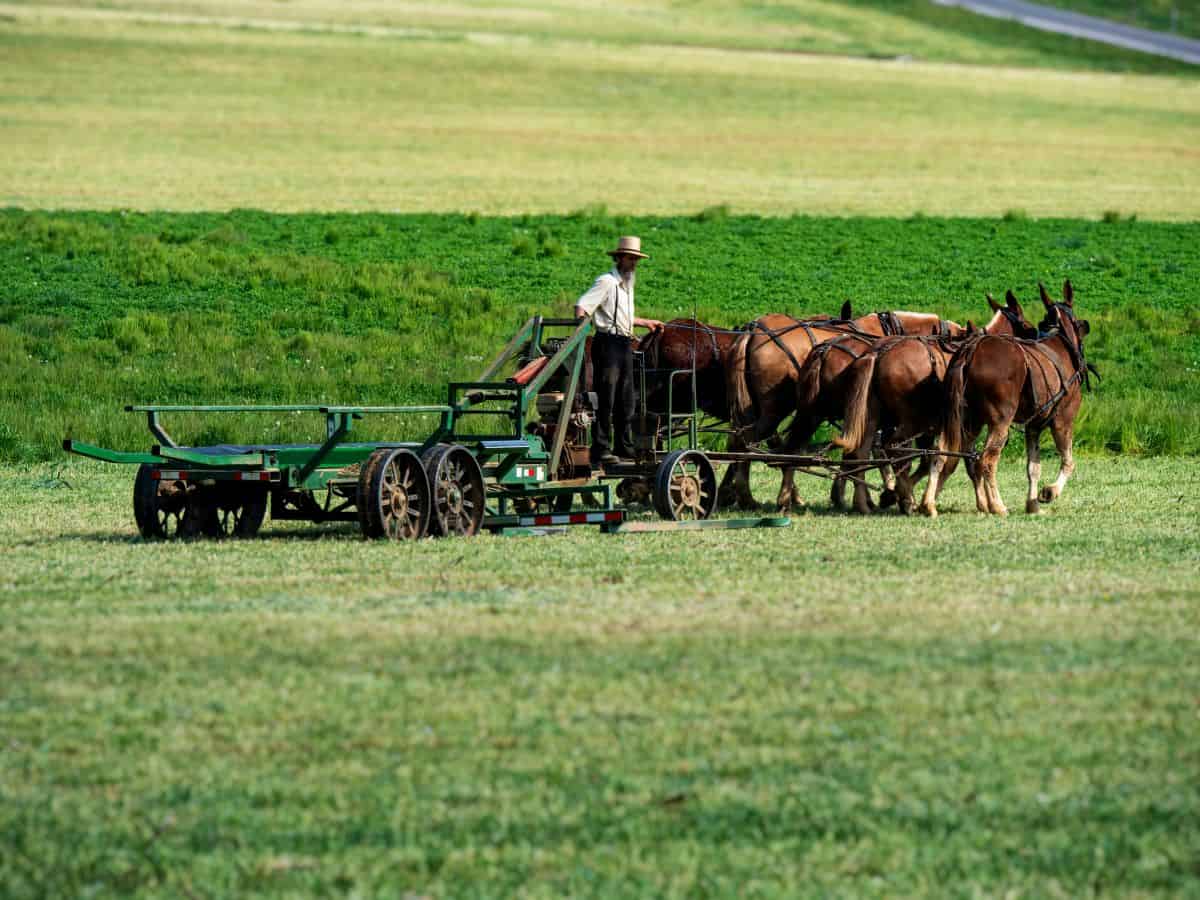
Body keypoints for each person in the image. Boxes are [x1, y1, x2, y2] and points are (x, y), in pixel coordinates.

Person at [574, 236, 664, 468]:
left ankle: (623, 445)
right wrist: (580, 330)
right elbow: (582, 305)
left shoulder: (627, 285)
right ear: (619, 258)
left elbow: (622, 318)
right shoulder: (606, 281)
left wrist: (645, 322)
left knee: (626, 399)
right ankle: (601, 448)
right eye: (630, 258)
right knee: (607, 397)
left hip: (624, 344)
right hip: (608, 344)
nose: (634, 263)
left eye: (636, 259)